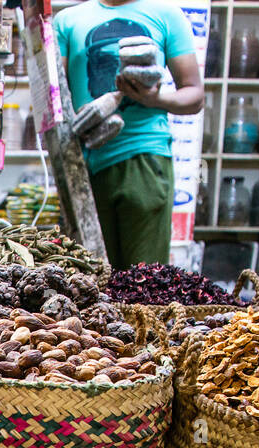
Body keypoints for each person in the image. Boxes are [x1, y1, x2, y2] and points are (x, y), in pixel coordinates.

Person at [54, 0, 204, 269]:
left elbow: (194, 94)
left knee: (142, 282)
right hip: (83, 163)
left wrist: (153, 99)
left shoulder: (166, 15)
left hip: (144, 158)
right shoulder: (68, 21)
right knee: (89, 282)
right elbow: (53, 91)